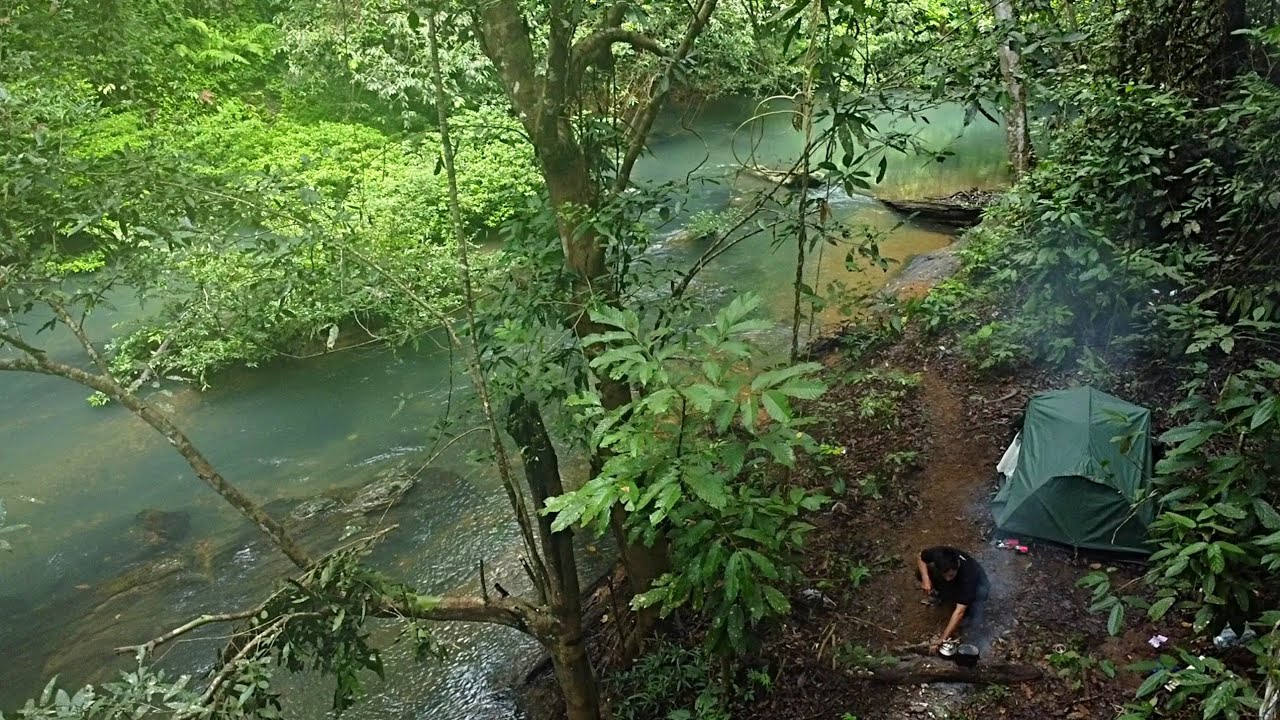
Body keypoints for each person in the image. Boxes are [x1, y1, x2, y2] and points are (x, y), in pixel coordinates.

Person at [916, 545, 989, 652]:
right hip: (956, 579)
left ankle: (967, 605)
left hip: (979, 584)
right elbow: (920, 556)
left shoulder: (968, 577)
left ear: (957, 565)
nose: (947, 578)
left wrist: (942, 639)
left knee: (976, 600)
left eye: (950, 575)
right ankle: (944, 594)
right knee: (922, 572)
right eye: (944, 574)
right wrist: (925, 578)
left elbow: (959, 612)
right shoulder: (939, 554)